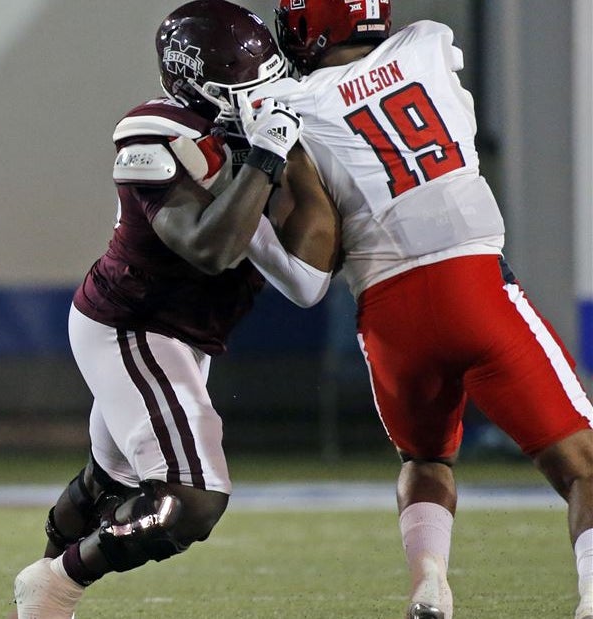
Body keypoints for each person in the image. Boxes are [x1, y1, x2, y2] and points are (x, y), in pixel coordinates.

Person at [10, 1, 341, 617]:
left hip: (183, 336)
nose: (268, 97)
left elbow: (308, 279)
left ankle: (46, 585)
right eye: (248, 88)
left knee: (107, 485)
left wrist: (287, 156)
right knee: (191, 498)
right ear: (199, 90)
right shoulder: (154, 131)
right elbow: (210, 248)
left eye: (271, 80)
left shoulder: (263, 131)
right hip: (133, 324)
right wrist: (267, 155)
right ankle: (57, 584)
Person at [266, 2, 593, 617]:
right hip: (472, 283)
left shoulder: (293, 104)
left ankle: (430, 584)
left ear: (309, 27)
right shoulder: (429, 42)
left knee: (424, 458)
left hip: (387, 310)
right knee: (583, 465)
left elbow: (319, 226)